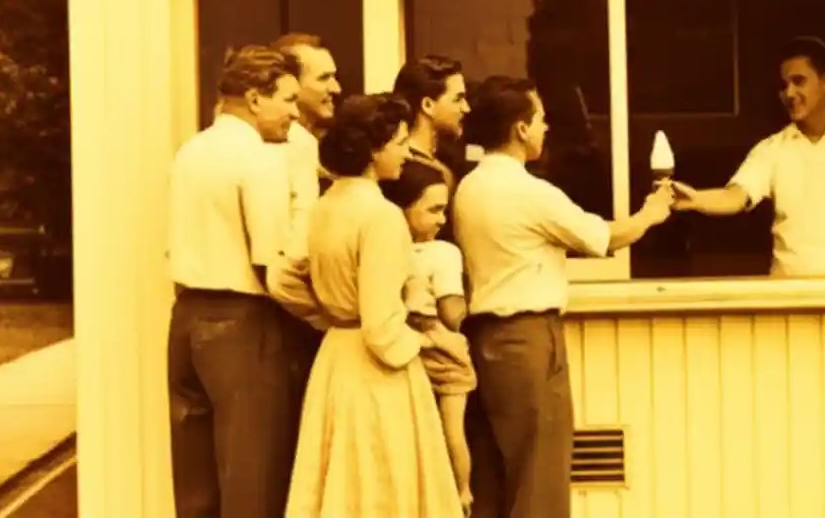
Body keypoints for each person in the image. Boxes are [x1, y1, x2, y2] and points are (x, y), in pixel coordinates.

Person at [453, 76, 673, 518]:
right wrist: (653, 212)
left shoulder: (469, 188)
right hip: (530, 338)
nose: (546, 128)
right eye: (541, 120)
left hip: (486, 337)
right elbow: (606, 237)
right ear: (520, 129)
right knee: (540, 473)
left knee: (498, 476)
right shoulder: (527, 191)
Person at [286, 93, 470, 517]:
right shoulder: (381, 215)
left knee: (343, 486)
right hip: (377, 372)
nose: (406, 152)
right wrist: (428, 342)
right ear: (374, 149)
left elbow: (284, 276)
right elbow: (383, 328)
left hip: (336, 360)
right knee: (383, 487)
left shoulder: (324, 206)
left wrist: (330, 317)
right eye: (400, 142)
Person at [165, 45, 303, 518]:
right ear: (254, 97)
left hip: (186, 319)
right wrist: (327, 315)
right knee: (252, 471)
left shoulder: (190, 151)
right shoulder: (260, 159)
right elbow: (272, 265)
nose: (294, 112)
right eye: (287, 99)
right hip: (242, 323)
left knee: (195, 474)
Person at [670, 35, 825, 277]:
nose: (789, 92)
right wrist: (696, 199)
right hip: (787, 298)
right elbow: (736, 196)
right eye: (783, 85)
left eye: (799, 81)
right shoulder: (772, 150)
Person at [380, 160, 477, 514]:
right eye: (434, 210)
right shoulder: (444, 253)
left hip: (403, 347)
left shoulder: (386, 249)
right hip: (442, 346)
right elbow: (452, 314)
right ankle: (461, 492)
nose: (442, 220)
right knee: (453, 429)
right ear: (405, 208)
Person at [264, 33, 341, 331]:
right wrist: (327, 320)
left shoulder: (309, 144)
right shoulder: (292, 147)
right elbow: (289, 261)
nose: (336, 88)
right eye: (324, 78)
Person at [392, 54, 471, 188]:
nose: (466, 108)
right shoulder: (406, 170)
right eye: (458, 99)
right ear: (428, 105)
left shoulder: (441, 160)